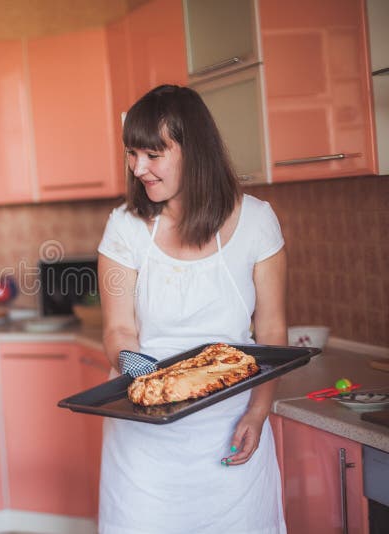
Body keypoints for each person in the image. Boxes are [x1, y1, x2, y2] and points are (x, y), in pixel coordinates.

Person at [97, 85, 287, 533]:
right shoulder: (124, 226)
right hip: (145, 441)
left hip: (232, 427)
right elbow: (119, 330)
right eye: (131, 153)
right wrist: (145, 376)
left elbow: (273, 331)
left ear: (192, 150)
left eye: (152, 154)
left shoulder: (257, 221)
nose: (138, 168)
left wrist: (258, 414)